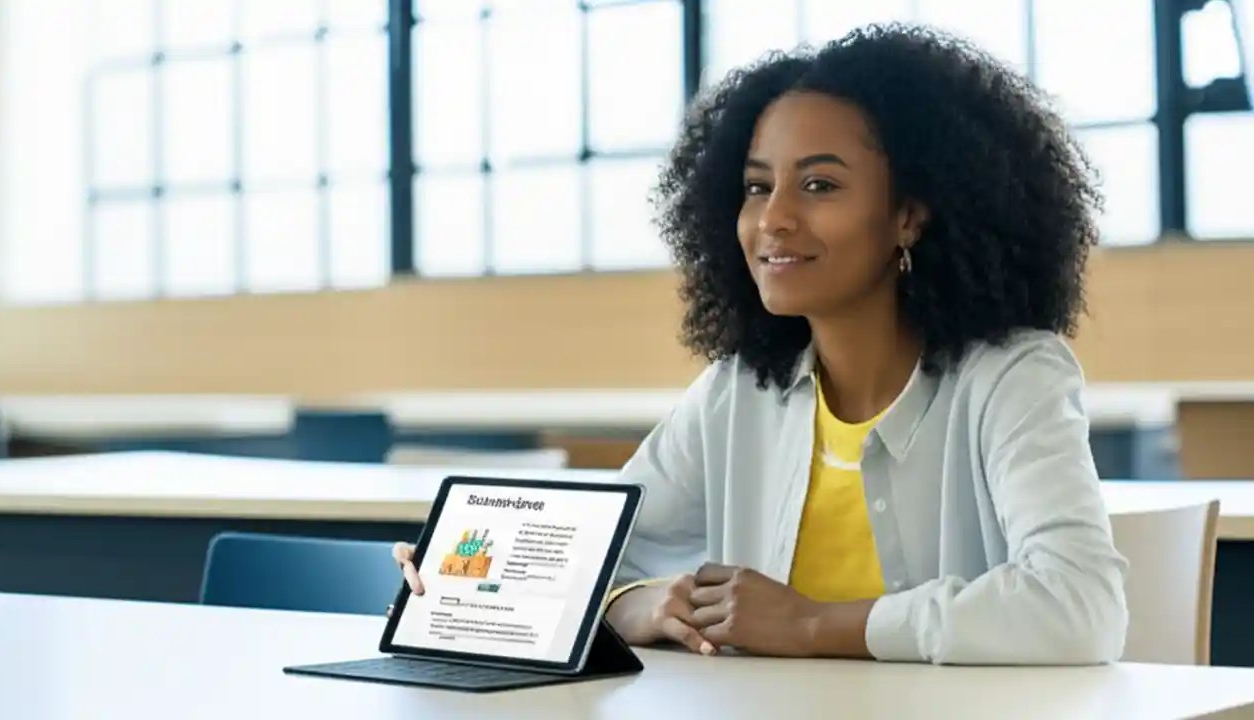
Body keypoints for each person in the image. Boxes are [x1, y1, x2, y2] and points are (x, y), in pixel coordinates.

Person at [396, 23, 1128, 665]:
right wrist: (639, 608)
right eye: (755, 187)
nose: (771, 219)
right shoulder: (738, 390)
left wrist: (816, 626)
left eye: (818, 186)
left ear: (909, 214)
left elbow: (1079, 607)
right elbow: (597, 551)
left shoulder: (1011, 378)